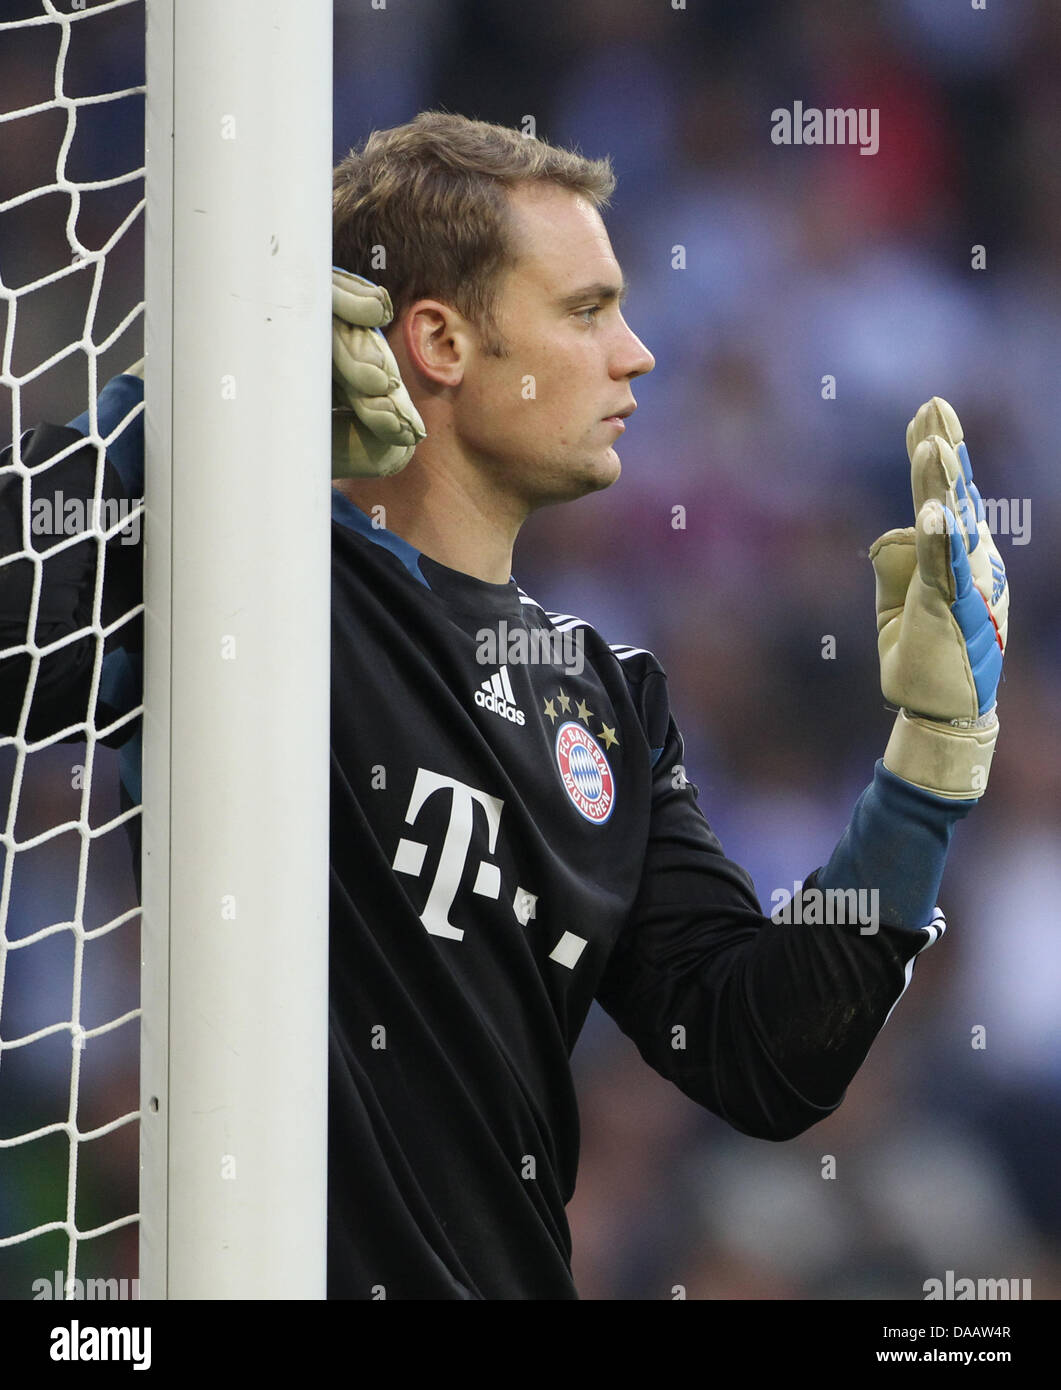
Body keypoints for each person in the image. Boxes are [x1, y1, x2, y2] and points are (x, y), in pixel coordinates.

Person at [0, 111, 1007, 1300]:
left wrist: (926, 771)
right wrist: (191, 418)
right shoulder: (243, 579)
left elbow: (759, 1054)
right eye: (585, 311)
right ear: (437, 340)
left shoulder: (606, 697)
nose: (635, 353)